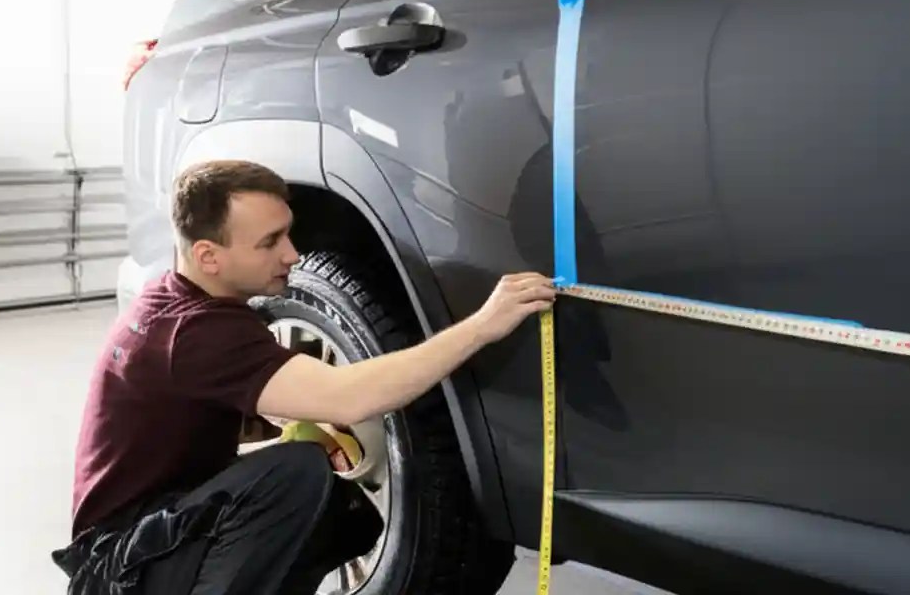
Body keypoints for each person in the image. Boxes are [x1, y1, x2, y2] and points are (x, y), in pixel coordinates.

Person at [51, 159, 557, 595]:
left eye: (288, 234)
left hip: (134, 539)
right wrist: (483, 325)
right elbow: (350, 398)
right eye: (270, 242)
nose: (292, 254)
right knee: (295, 473)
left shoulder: (173, 296)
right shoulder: (197, 333)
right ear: (209, 254)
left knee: (343, 515)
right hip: (119, 569)